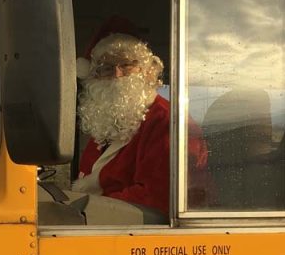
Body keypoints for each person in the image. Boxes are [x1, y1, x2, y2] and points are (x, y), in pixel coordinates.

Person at [72, 24, 207, 215]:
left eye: (126, 65)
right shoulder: (105, 127)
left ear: (148, 72)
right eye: (106, 68)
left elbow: (160, 198)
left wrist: (89, 208)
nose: (117, 75)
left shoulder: (168, 122)